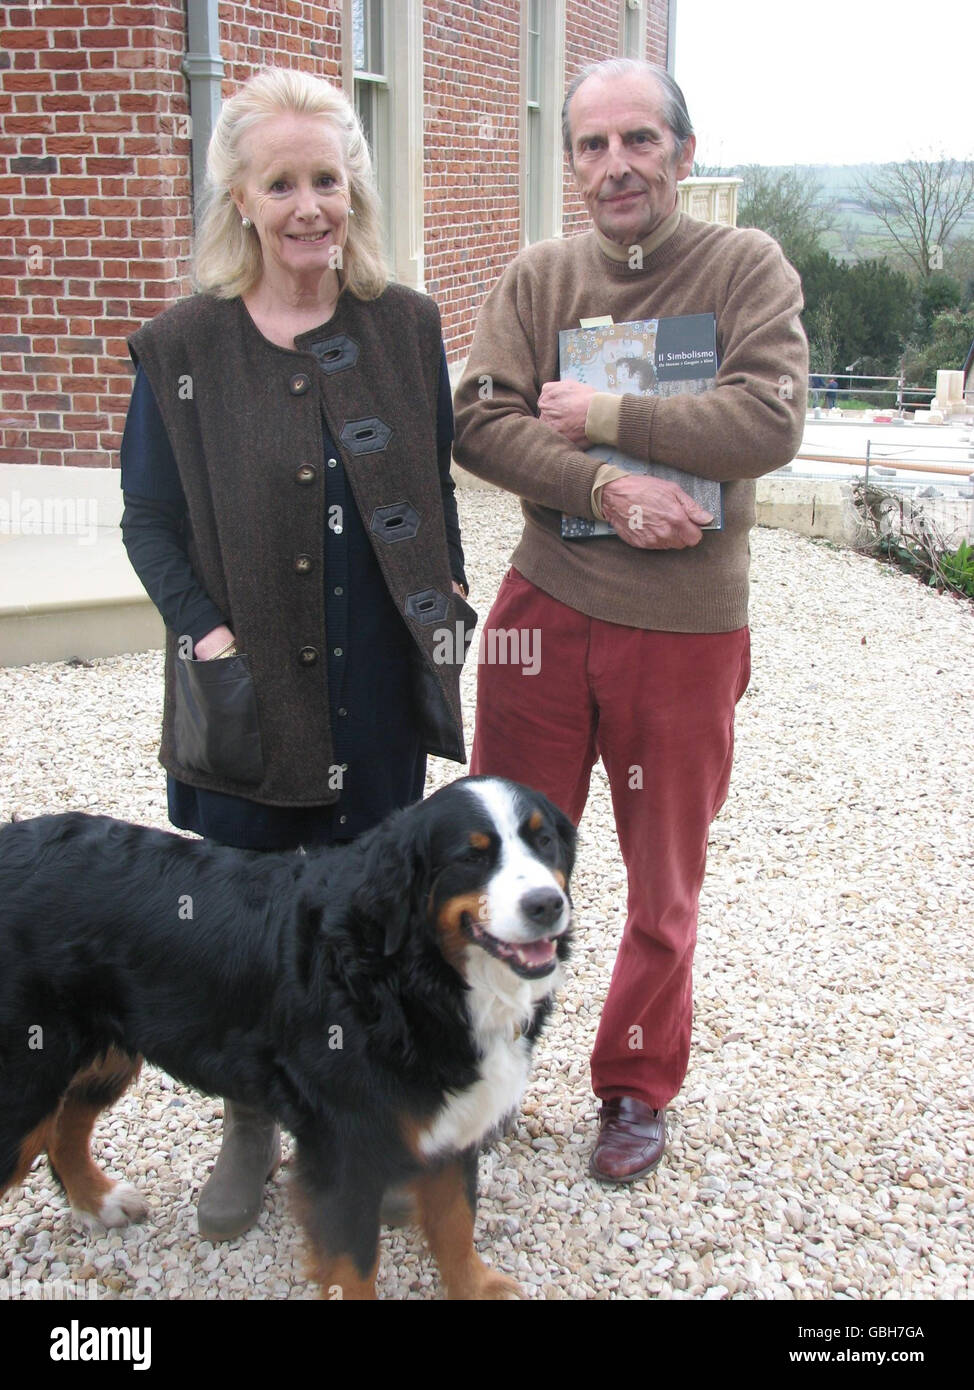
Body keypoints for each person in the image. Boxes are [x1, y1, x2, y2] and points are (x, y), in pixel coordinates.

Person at [120, 67, 472, 1237]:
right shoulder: (181, 346)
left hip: (373, 680)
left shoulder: (405, 323)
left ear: (353, 189)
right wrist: (207, 634)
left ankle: (360, 1116)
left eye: (327, 178)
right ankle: (246, 1121)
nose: (308, 204)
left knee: (372, 914)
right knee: (246, 919)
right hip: (247, 683)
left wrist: (447, 608)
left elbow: (430, 482)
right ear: (239, 195)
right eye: (282, 182)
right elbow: (149, 520)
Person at [453, 57, 807, 1183]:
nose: (615, 166)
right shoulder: (539, 276)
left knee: (663, 879)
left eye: (638, 141)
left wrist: (602, 411)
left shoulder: (744, 266)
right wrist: (601, 485)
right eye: (592, 146)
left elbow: (764, 420)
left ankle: (634, 1084)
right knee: (497, 855)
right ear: (571, 163)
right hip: (540, 611)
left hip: (687, 627)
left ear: (682, 155)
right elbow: (478, 422)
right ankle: (485, 1071)